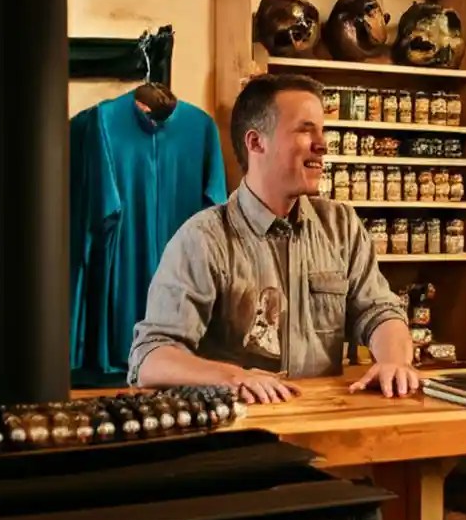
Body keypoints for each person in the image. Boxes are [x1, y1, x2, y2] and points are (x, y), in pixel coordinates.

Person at [127, 73, 420, 403]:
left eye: (322, 131)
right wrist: (232, 377)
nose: (322, 144)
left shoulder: (341, 225)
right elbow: (151, 358)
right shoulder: (202, 240)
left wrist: (394, 362)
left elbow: (379, 312)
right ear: (256, 143)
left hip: (325, 430)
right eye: (305, 130)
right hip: (239, 437)